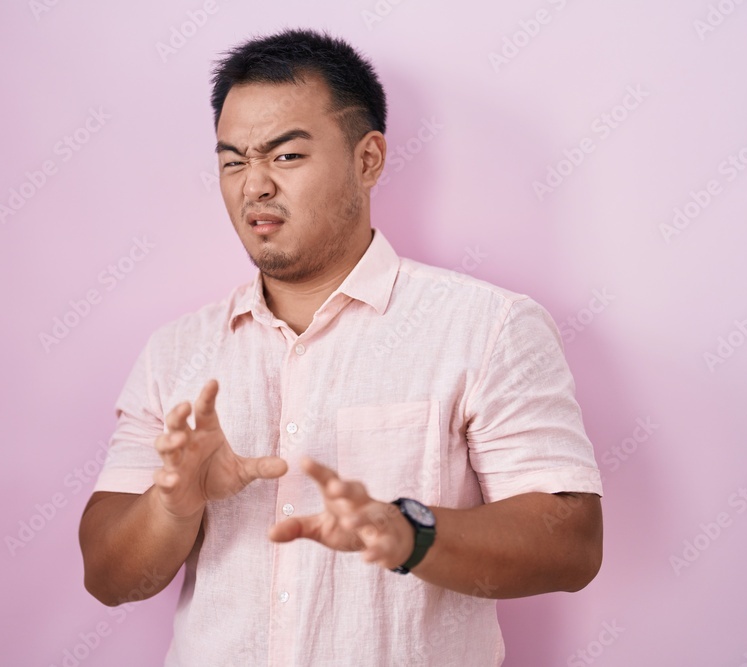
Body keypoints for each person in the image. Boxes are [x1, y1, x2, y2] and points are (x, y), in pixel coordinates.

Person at [79, 27, 603, 666]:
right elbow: (107, 578)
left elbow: (572, 544)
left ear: (368, 159)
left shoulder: (488, 327)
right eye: (233, 160)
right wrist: (173, 502)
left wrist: (410, 532)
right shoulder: (176, 352)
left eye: (286, 156)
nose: (255, 186)